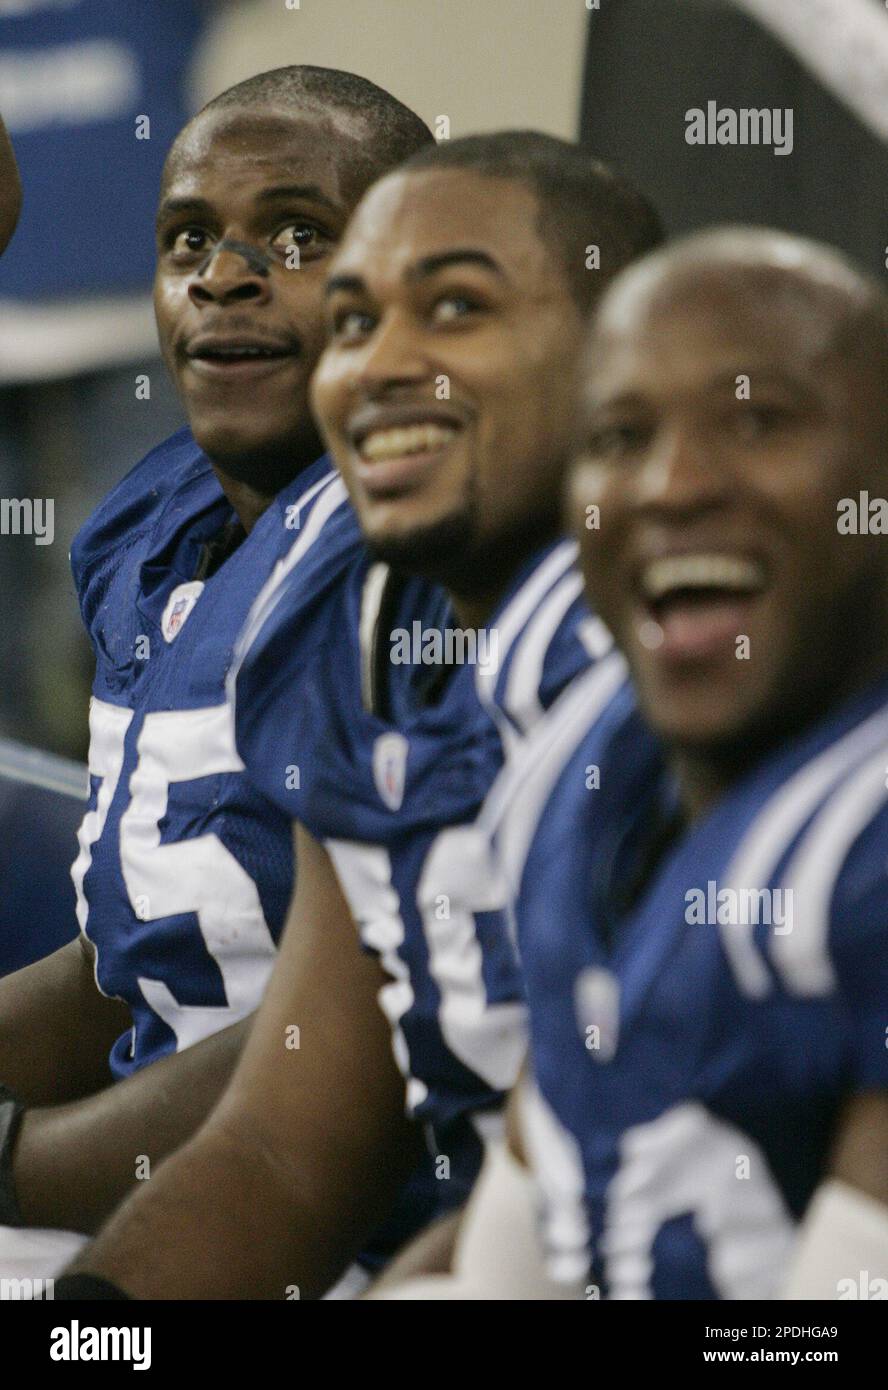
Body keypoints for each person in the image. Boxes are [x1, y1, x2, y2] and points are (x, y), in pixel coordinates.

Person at [53, 132, 662, 1300]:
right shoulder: (354, 621)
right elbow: (285, 1147)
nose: (382, 363)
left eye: (456, 307)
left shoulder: (670, 673)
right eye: (353, 320)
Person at [0, 65, 435, 1284]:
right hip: (150, 1166)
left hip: (339, 1228)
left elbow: (326, 1077)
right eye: (189, 238)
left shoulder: (399, 562)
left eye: (297, 238)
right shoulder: (153, 524)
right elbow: (129, 962)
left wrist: (13, 1154)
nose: (224, 275)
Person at [475, 227, 888, 1299]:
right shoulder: (572, 770)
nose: (673, 483)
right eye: (618, 433)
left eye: (759, 420)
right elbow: (512, 1271)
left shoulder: (861, 850)